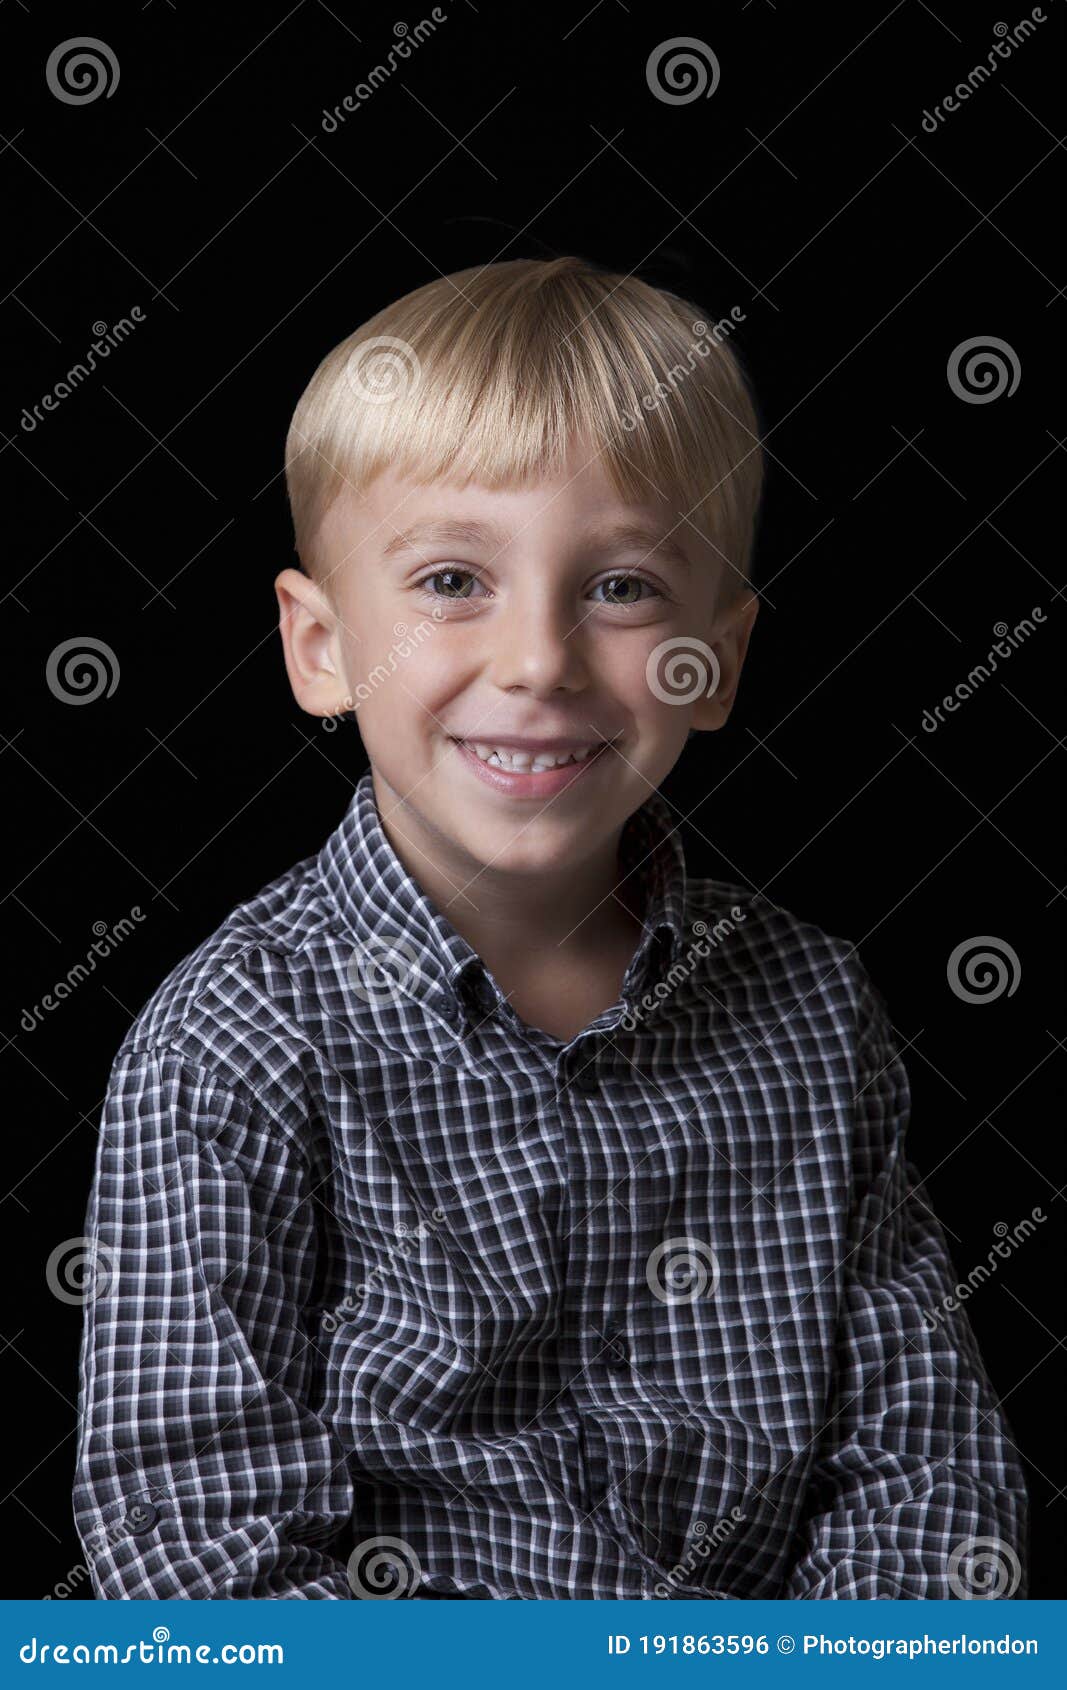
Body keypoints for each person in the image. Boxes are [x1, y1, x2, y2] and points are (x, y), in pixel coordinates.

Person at [73, 256, 1027, 1599]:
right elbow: (195, 1537)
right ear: (321, 645)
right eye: (454, 578)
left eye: (623, 587)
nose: (537, 659)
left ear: (720, 657)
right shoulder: (235, 1042)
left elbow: (925, 1474)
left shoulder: (812, 1011)